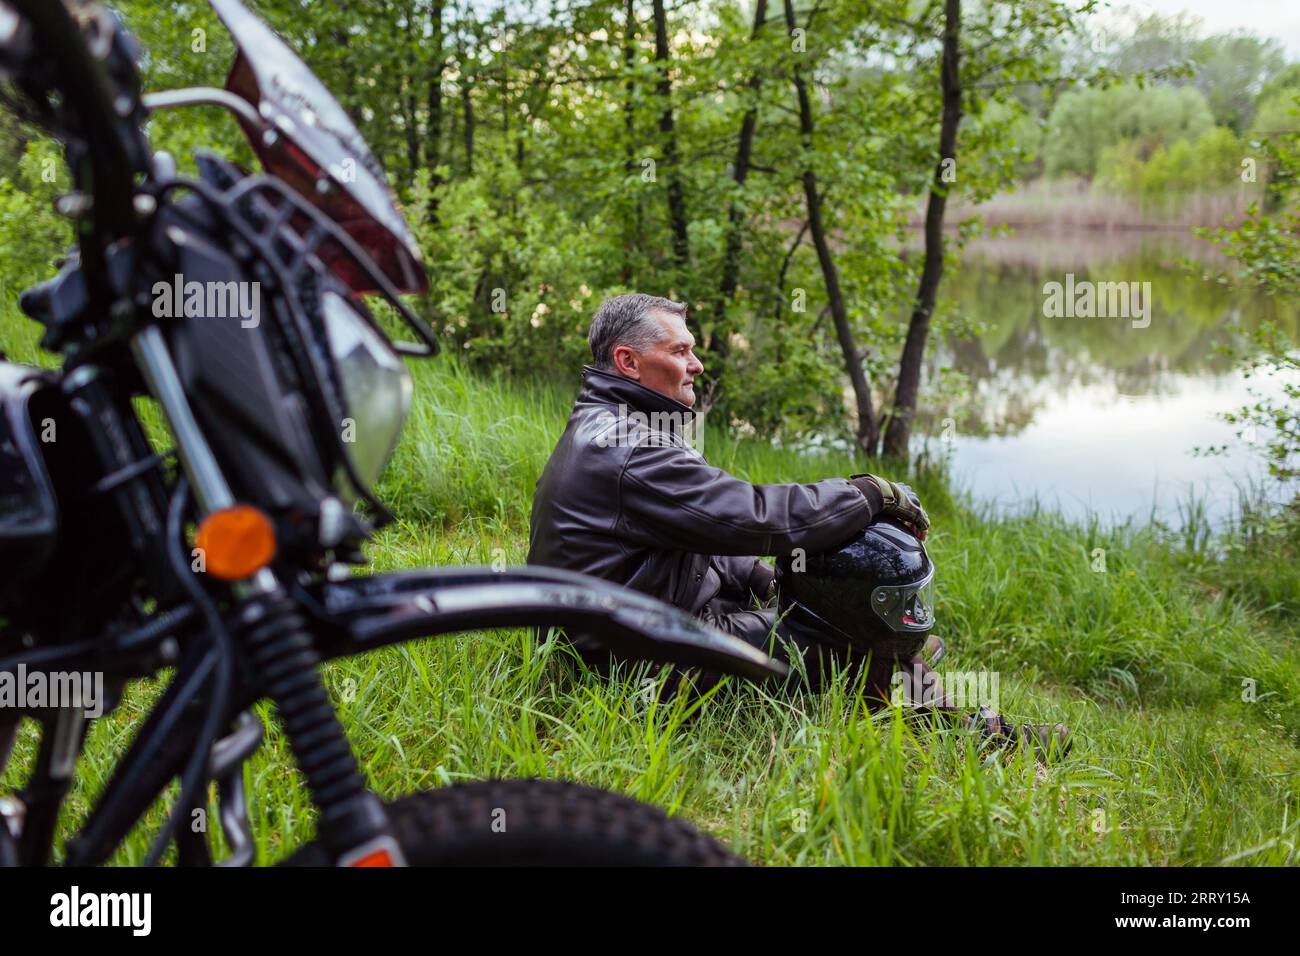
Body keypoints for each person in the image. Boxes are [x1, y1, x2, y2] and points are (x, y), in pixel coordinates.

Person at [526, 292, 927, 691]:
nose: (696, 365)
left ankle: (913, 682)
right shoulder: (627, 447)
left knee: (827, 610)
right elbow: (753, 516)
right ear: (628, 361)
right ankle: (958, 721)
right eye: (680, 351)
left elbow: (699, 532)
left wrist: (762, 578)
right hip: (629, 659)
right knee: (844, 639)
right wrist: (870, 494)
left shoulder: (618, 425)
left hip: (630, 626)